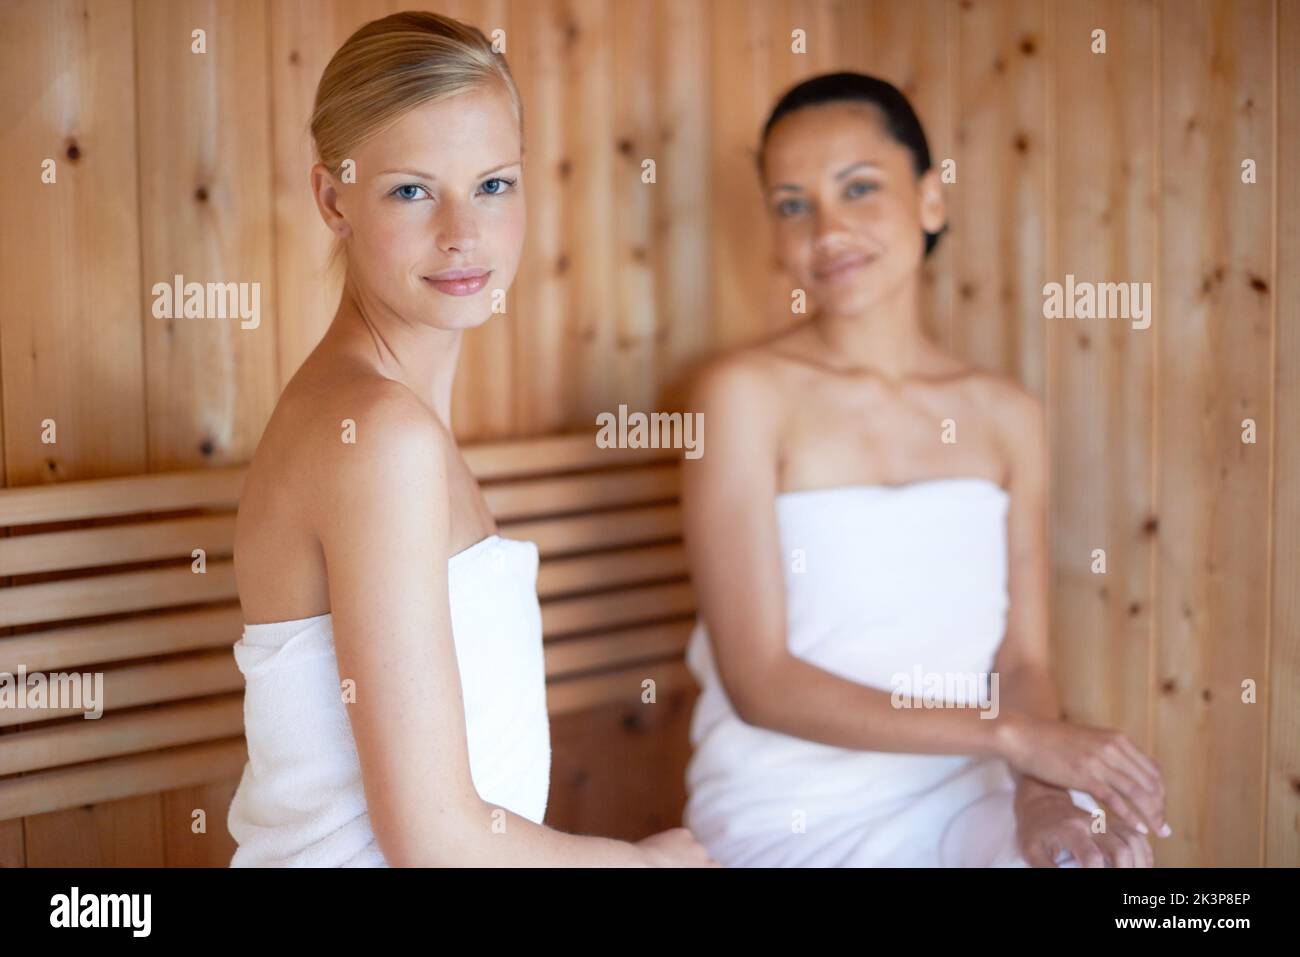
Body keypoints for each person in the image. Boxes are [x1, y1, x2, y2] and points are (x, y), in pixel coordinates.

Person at [227, 10, 713, 868]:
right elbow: (435, 839)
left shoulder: (388, 419)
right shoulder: (377, 437)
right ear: (333, 198)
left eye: (493, 184)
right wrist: (641, 865)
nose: (463, 231)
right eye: (412, 189)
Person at [680, 72, 1169, 867]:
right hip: (793, 807)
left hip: (969, 789)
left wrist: (1042, 797)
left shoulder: (1006, 413)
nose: (828, 229)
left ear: (930, 200)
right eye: (792, 203)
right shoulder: (742, 397)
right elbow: (757, 678)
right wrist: (1020, 738)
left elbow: (1024, 661)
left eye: (859, 188)